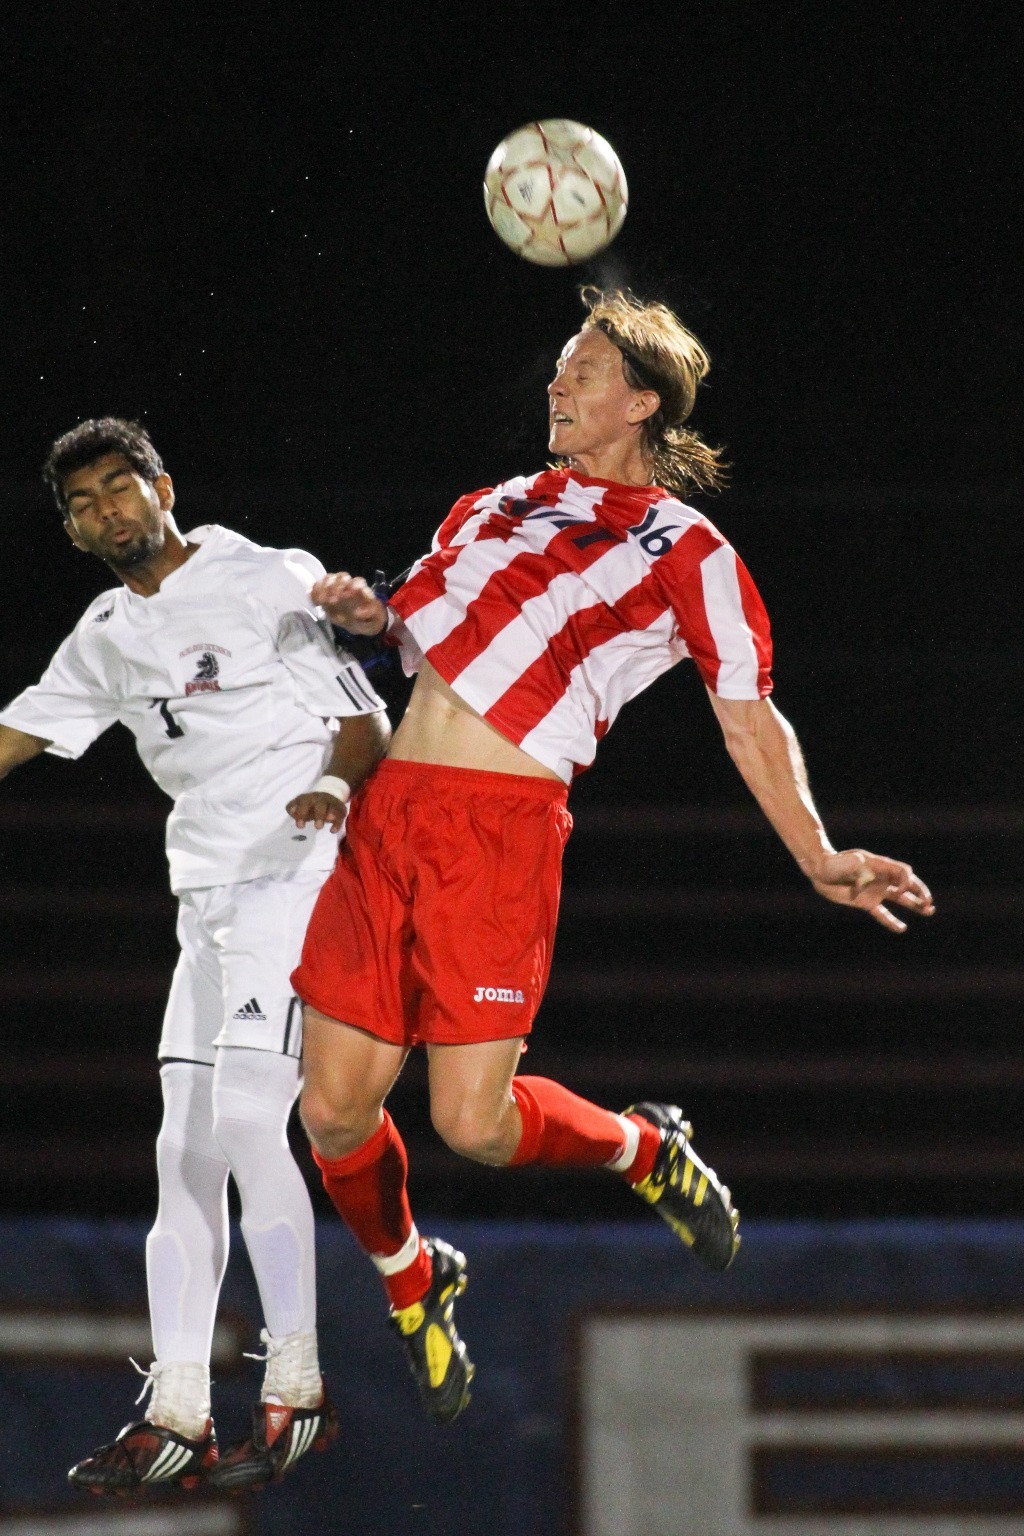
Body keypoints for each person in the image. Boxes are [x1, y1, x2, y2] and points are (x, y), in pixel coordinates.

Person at [291, 289, 935, 1425]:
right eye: (558, 367)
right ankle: (412, 1276)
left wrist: (817, 851)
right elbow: (418, 637)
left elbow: (750, 714)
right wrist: (366, 613)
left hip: (498, 834)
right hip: (389, 812)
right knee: (332, 1116)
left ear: (641, 401)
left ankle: (642, 1148)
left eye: (582, 371)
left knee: (474, 1129)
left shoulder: (688, 548)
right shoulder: (489, 506)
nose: (557, 385)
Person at [0, 419, 391, 1493]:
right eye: (81, 504)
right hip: (205, 900)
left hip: (297, 874)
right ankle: (178, 1409)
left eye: (118, 486)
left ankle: (298, 1386)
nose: (105, 510)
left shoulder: (265, 577)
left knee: (243, 1119)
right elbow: (17, 734)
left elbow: (365, 724)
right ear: (73, 532)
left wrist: (336, 788)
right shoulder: (104, 634)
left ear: (162, 486)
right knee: (183, 1149)